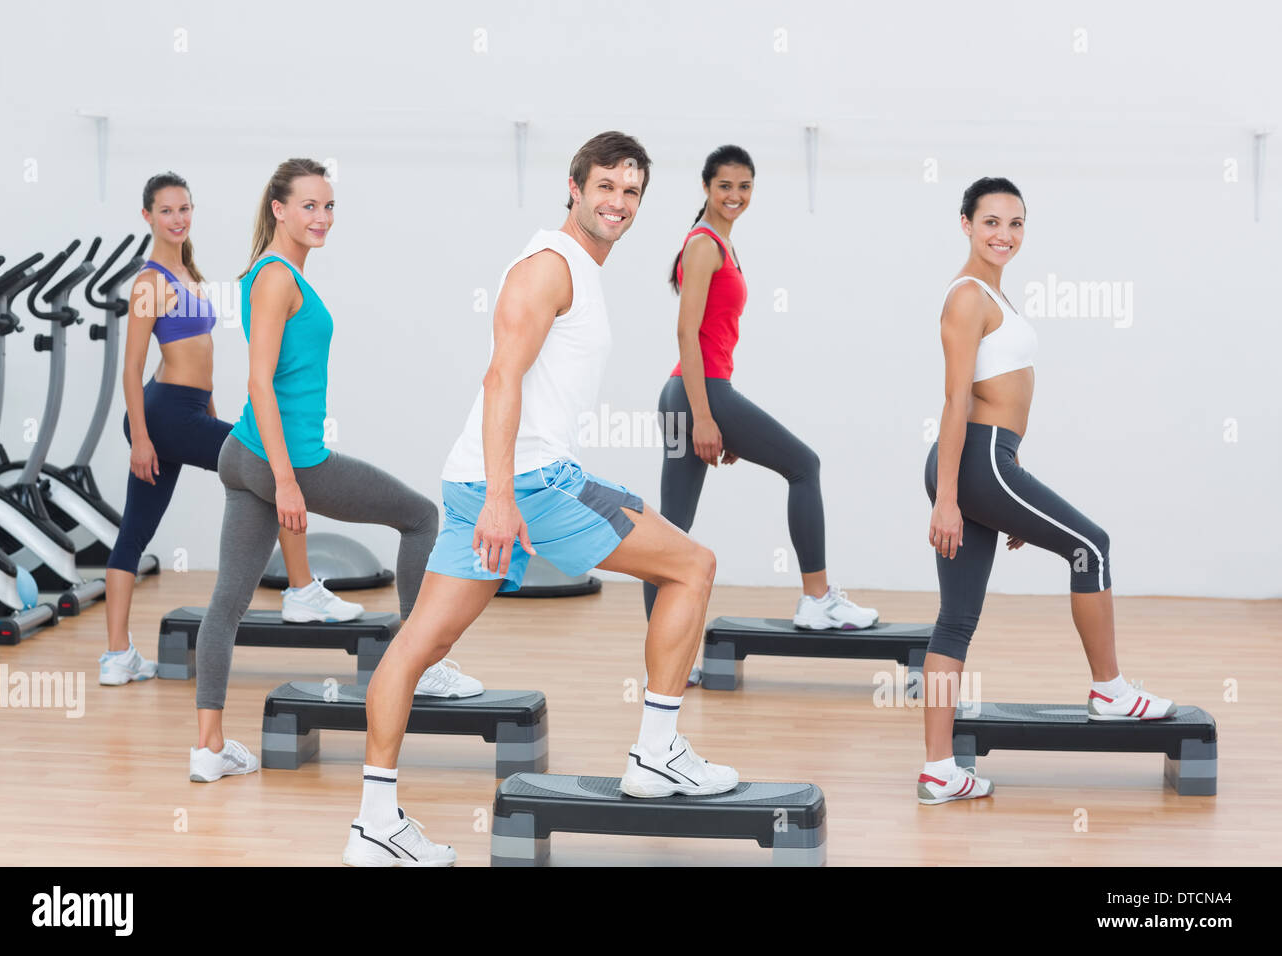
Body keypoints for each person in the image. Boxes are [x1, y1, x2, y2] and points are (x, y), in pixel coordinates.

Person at [345, 132, 738, 867]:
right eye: (605, 188)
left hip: (482, 478)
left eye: (631, 192)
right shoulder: (549, 269)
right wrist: (502, 499)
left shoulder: (577, 269)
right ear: (574, 186)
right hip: (524, 483)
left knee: (420, 646)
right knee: (693, 566)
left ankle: (373, 823)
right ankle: (656, 753)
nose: (617, 203)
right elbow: (501, 380)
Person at [189, 159, 481, 783]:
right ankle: (420, 661)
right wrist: (290, 479)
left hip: (244, 456)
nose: (320, 218)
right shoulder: (275, 279)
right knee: (421, 516)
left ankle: (209, 750)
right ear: (278, 208)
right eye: (308, 206)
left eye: (328, 207)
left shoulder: (277, 273)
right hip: (284, 459)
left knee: (226, 605)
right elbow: (259, 383)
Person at [918, 177, 1177, 805]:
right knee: (1092, 543)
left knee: (955, 621)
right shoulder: (966, 298)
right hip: (976, 460)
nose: (1004, 235)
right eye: (991, 222)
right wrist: (953, 496)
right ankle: (1109, 689)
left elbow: (998, 393)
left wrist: (994, 496)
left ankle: (937, 771)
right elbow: (956, 400)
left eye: (1016, 224)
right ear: (965, 224)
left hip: (990, 466)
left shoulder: (992, 296)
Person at [99, 171, 364, 687]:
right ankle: (302, 589)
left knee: (134, 529)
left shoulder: (190, 274)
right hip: (163, 415)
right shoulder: (149, 282)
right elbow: (132, 367)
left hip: (188, 411)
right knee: (269, 460)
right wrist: (143, 438)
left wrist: (214, 407)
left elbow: (203, 355)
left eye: (184, 209)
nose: (177, 219)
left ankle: (117, 656)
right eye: (166, 211)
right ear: (147, 217)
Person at [643, 145, 878, 632]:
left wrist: (717, 419)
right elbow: (687, 333)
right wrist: (708, 418)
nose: (735, 195)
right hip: (696, 392)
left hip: (687, 393)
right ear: (706, 187)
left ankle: (661, 654)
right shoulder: (704, 244)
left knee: (671, 529)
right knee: (804, 465)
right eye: (725, 186)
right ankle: (817, 599)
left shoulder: (718, 244)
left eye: (744, 187)